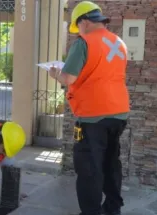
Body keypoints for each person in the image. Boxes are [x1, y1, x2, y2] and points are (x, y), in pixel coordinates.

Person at [48, 1, 130, 215]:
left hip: (93, 116)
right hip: (119, 112)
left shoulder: (84, 42)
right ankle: (113, 209)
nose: (79, 30)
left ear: (84, 21)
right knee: (111, 162)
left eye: (78, 25)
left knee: (89, 169)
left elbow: (69, 77)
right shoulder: (118, 42)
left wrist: (56, 73)